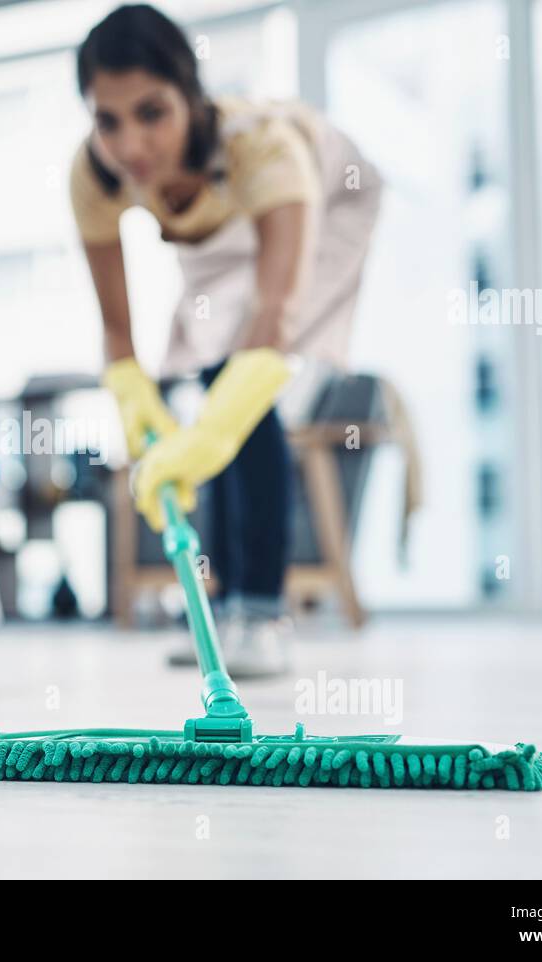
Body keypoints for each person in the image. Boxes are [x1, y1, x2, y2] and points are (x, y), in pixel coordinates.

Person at [71, 4, 382, 675]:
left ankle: (262, 612)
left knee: (242, 395)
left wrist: (215, 429)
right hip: (219, 225)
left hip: (326, 203)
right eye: (108, 120)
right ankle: (217, 610)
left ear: (191, 96)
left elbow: (276, 316)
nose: (130, 146)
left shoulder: (264, 146)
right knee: (214, 384)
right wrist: (134, 401)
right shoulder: (96, 174)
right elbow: (118, 331)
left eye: (152, 112)